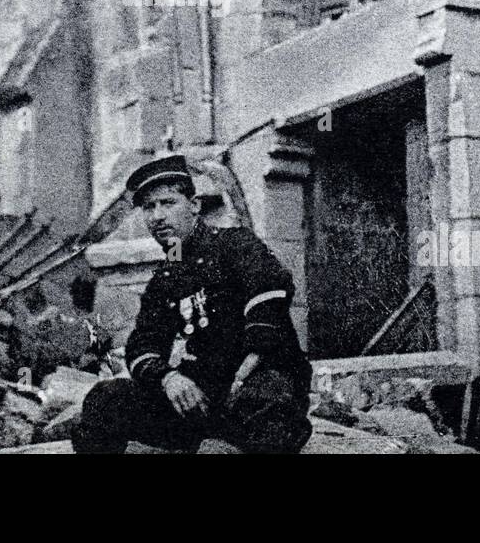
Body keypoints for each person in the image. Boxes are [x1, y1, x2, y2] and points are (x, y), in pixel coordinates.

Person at [72, 156, 312, 453]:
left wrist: (240, 376)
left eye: (168, 203)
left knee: (268, 402)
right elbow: (142, 344)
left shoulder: (234, 243)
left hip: (256, 384)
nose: (157, 216)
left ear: (194, 205)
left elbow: (270, 290)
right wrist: (169, 378)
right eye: (149, 207)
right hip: (201, 398)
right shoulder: (165, 277)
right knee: (105, 399)